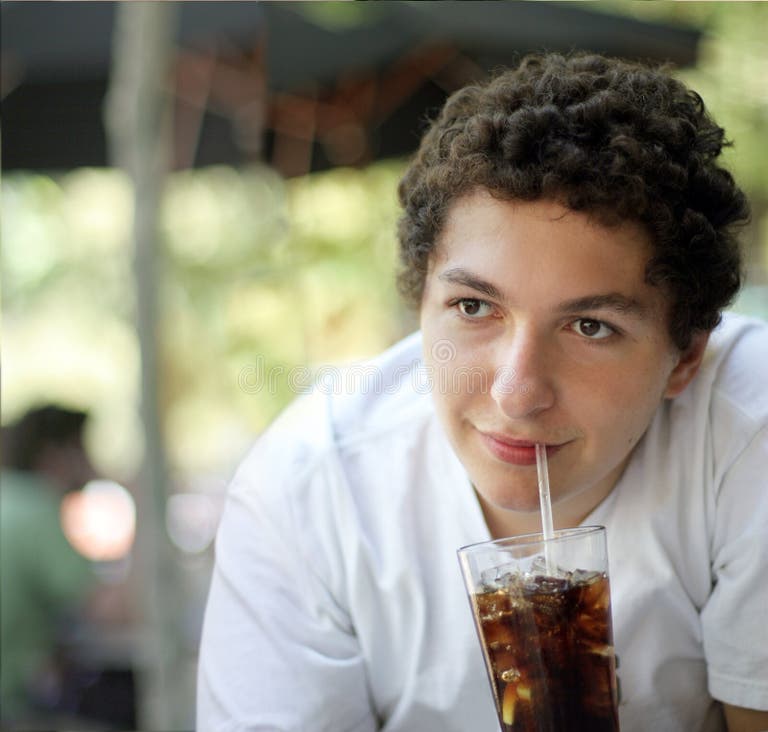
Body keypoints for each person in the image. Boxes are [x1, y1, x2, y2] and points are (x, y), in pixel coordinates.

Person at [197, 52, 768, 731]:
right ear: (421, 303)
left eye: (590, 326)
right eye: (474, 308)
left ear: (686, 358)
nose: (518, 392)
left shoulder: (747, 433)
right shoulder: (308, 493)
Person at [1, 405, 95, 727]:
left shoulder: (9, 497)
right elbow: (110, 607)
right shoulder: (36, 506)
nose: (93, 466)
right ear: (57, 454)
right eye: (84, 451)